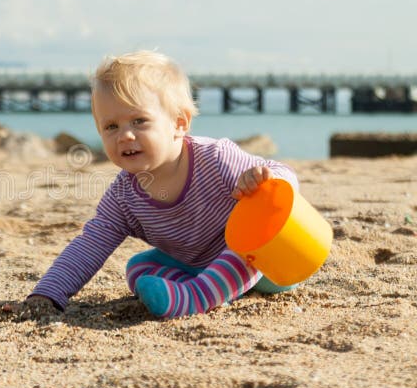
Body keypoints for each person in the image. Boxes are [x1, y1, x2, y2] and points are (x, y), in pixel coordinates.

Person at [17, 50, 297, 319]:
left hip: (272, 264)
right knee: (139, 267)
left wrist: (265, 178)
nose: (125, 135)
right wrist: (47, 295)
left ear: (179, 123)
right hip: (201, 263)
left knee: (247, 245)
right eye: (111, 127)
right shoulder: (123, 197)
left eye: (139, 121)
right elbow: (89, 245)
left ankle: (195, 297)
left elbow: (284, 174)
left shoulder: (215, 159)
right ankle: (209, 288)